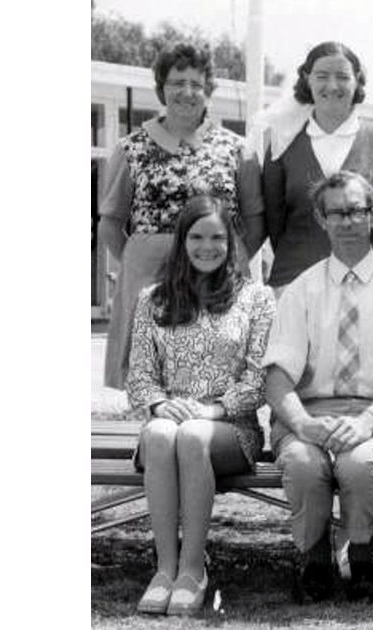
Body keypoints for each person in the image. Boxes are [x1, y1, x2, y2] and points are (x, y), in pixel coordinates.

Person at [262, 171, 373, 603]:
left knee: (359, 462)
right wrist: (302, 424)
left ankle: (362, 558)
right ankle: (314, 562)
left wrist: (370, 421)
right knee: (302, 462)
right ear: (321, 219)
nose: (348, 221)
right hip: (310, 411)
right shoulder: (299, 289)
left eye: (357, 210)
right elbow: (278, 374)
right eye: (336, 212)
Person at [127, 194, 276, 616]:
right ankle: (165, 568)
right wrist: (158, 404)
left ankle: (193, 570)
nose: (206, 247)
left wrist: (214, 410)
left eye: (217, 238)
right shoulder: (152, 298)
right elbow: (138, 375)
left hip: (230, 426)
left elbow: (259, 377)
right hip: (169, 421)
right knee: (160, 434)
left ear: (231, 242)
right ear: (181, 240)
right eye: (196, 236)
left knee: (192, 435)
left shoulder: (257, 298)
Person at [99, 42, 263, 389]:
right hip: (150, 275)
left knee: (219, 379)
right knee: (153, 381)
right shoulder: (132, 148)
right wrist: (140, 259)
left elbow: (255, 217)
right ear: (161, 88)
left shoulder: (237, 149)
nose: (187, 92)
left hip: (218, 271)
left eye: (196, 84)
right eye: (176, 83)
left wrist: (229, 258)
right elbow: (111, 223)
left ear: (208, 92)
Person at [260, 41, 373, 289]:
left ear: (357, 80)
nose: (332, 86)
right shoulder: (282, 145)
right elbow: (276, 224)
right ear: (308, 80)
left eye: (342, 76)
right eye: (322, 76)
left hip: (371, 284)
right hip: (297, 281)